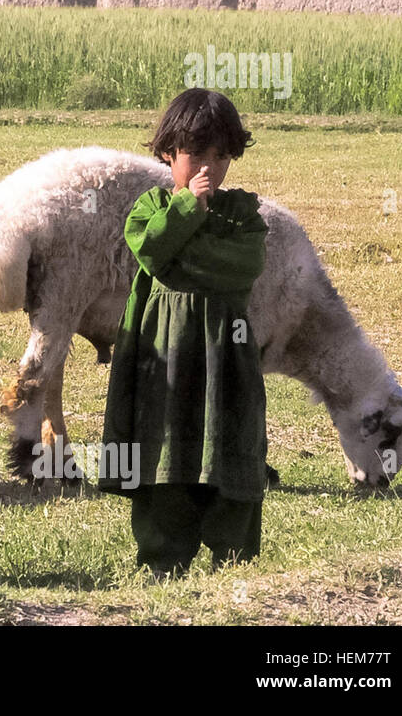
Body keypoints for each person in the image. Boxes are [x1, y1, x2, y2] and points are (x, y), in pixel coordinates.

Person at [100, 87, 269, 577]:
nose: (208, 168)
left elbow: (244, 265)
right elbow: (150, 250)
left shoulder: (243, 215)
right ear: (168, 153)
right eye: (195, 153)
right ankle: (162, 559)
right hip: (163, 363)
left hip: (226, 359)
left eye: (221, 155)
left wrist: (179, 255)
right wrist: (185, 213)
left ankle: (231, 560)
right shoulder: (149, 208)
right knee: (164, 449)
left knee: (228, 442)